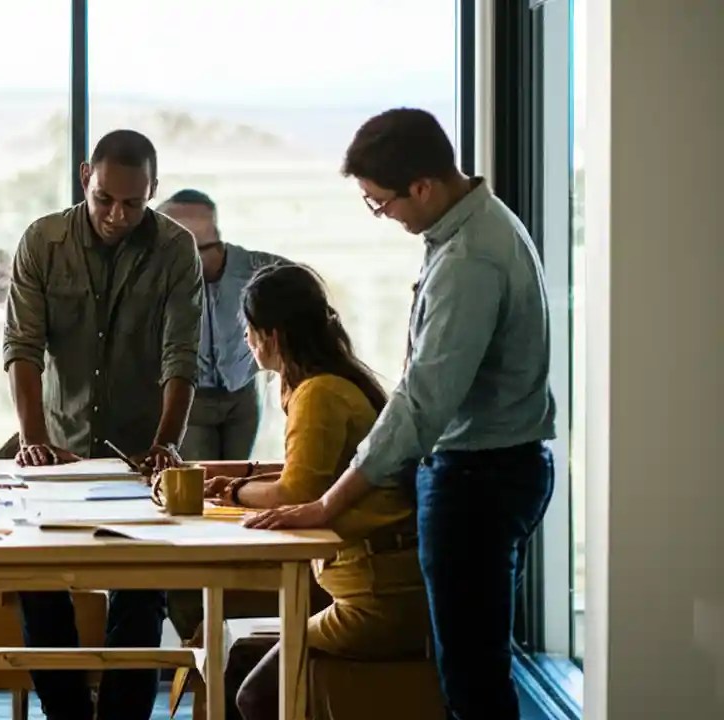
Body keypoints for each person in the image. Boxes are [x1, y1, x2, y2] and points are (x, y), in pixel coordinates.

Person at [245, 107, 556, 720]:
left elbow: (422, 402)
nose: (384, 216)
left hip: (477, 479)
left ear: (423, 186)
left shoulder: (470, 257)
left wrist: (328, 503)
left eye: (381, 202)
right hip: (494, 471)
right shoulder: (479, 228)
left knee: (471, 678)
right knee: (473, 666)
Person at [2, 129, 202, 720]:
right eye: (105, 199)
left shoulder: (175, 248)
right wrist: (32, 438)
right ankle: (66, 715)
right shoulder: (42, 240)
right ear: (85, 176)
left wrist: (167, 443)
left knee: (140, 598)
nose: (118, 215)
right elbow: (22, 346)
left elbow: (181, 354)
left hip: (140, 454)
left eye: (134, 203)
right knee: (39, 589)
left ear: (153, 191)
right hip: (56, 449)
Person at [202, 263, 432, 720]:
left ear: (270, 335)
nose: (247, 341)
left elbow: (297, 490)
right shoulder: (335, 382)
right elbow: (309, 476)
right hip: (388, 585)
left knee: (254, 696)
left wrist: (233, 493)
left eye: (250, 330)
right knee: (243, 660)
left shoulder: (319, 394)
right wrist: (239, 483)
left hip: (376, 600)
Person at [160, 189, 289, 464]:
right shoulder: (163, 276)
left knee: (236, 477)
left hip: (241, 395)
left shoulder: (254, 266)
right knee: (201, 478)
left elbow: (303, 289)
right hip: (190, 399)